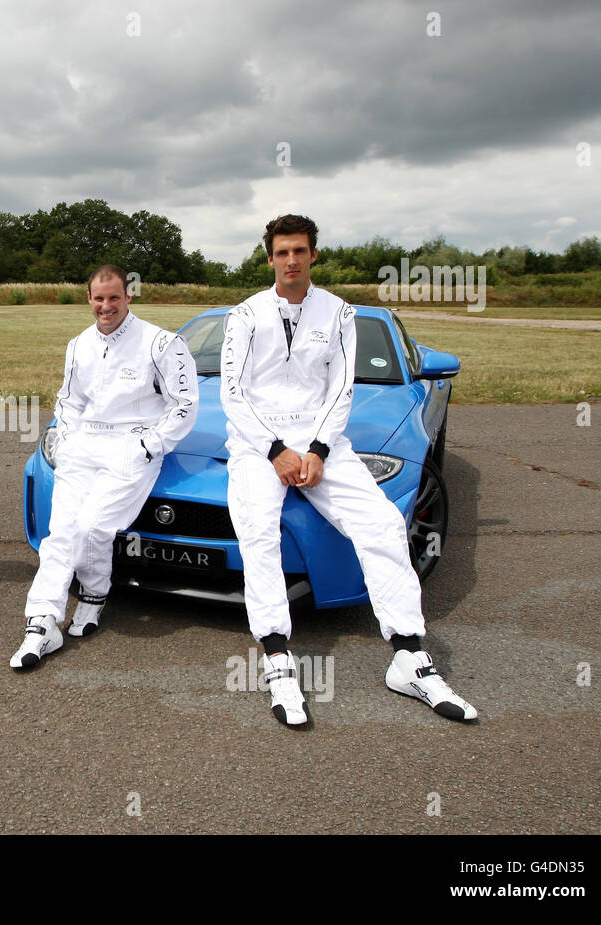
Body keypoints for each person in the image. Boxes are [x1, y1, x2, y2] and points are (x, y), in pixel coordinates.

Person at [221, 214, 477, 725]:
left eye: (299, 251)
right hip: (257, 444)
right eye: (281, 252)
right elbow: (233, 392)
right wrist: (276, 451)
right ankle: (277, 660)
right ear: (269, 257)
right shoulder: (245, 315)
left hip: (323, 441)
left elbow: (342, 389)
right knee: (257, 531)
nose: (291, 260)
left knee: (382, 524)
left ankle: (408, 656)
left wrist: (316, 450)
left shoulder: (339, 313)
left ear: (314, 255)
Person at [11, 265, 198, 669]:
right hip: (83, 445)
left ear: (128, 296)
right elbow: (69, 398)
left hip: (132, 445)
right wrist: (68, 435)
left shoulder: (161, 342)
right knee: (60, 532)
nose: (106, 306)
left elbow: (184, 404)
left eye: (114, 297)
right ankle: (40, 622)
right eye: (99, 298)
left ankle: (94, 596)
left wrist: (151, 444)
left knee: (92, 526)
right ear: (89, 299)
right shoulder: (78, 344)